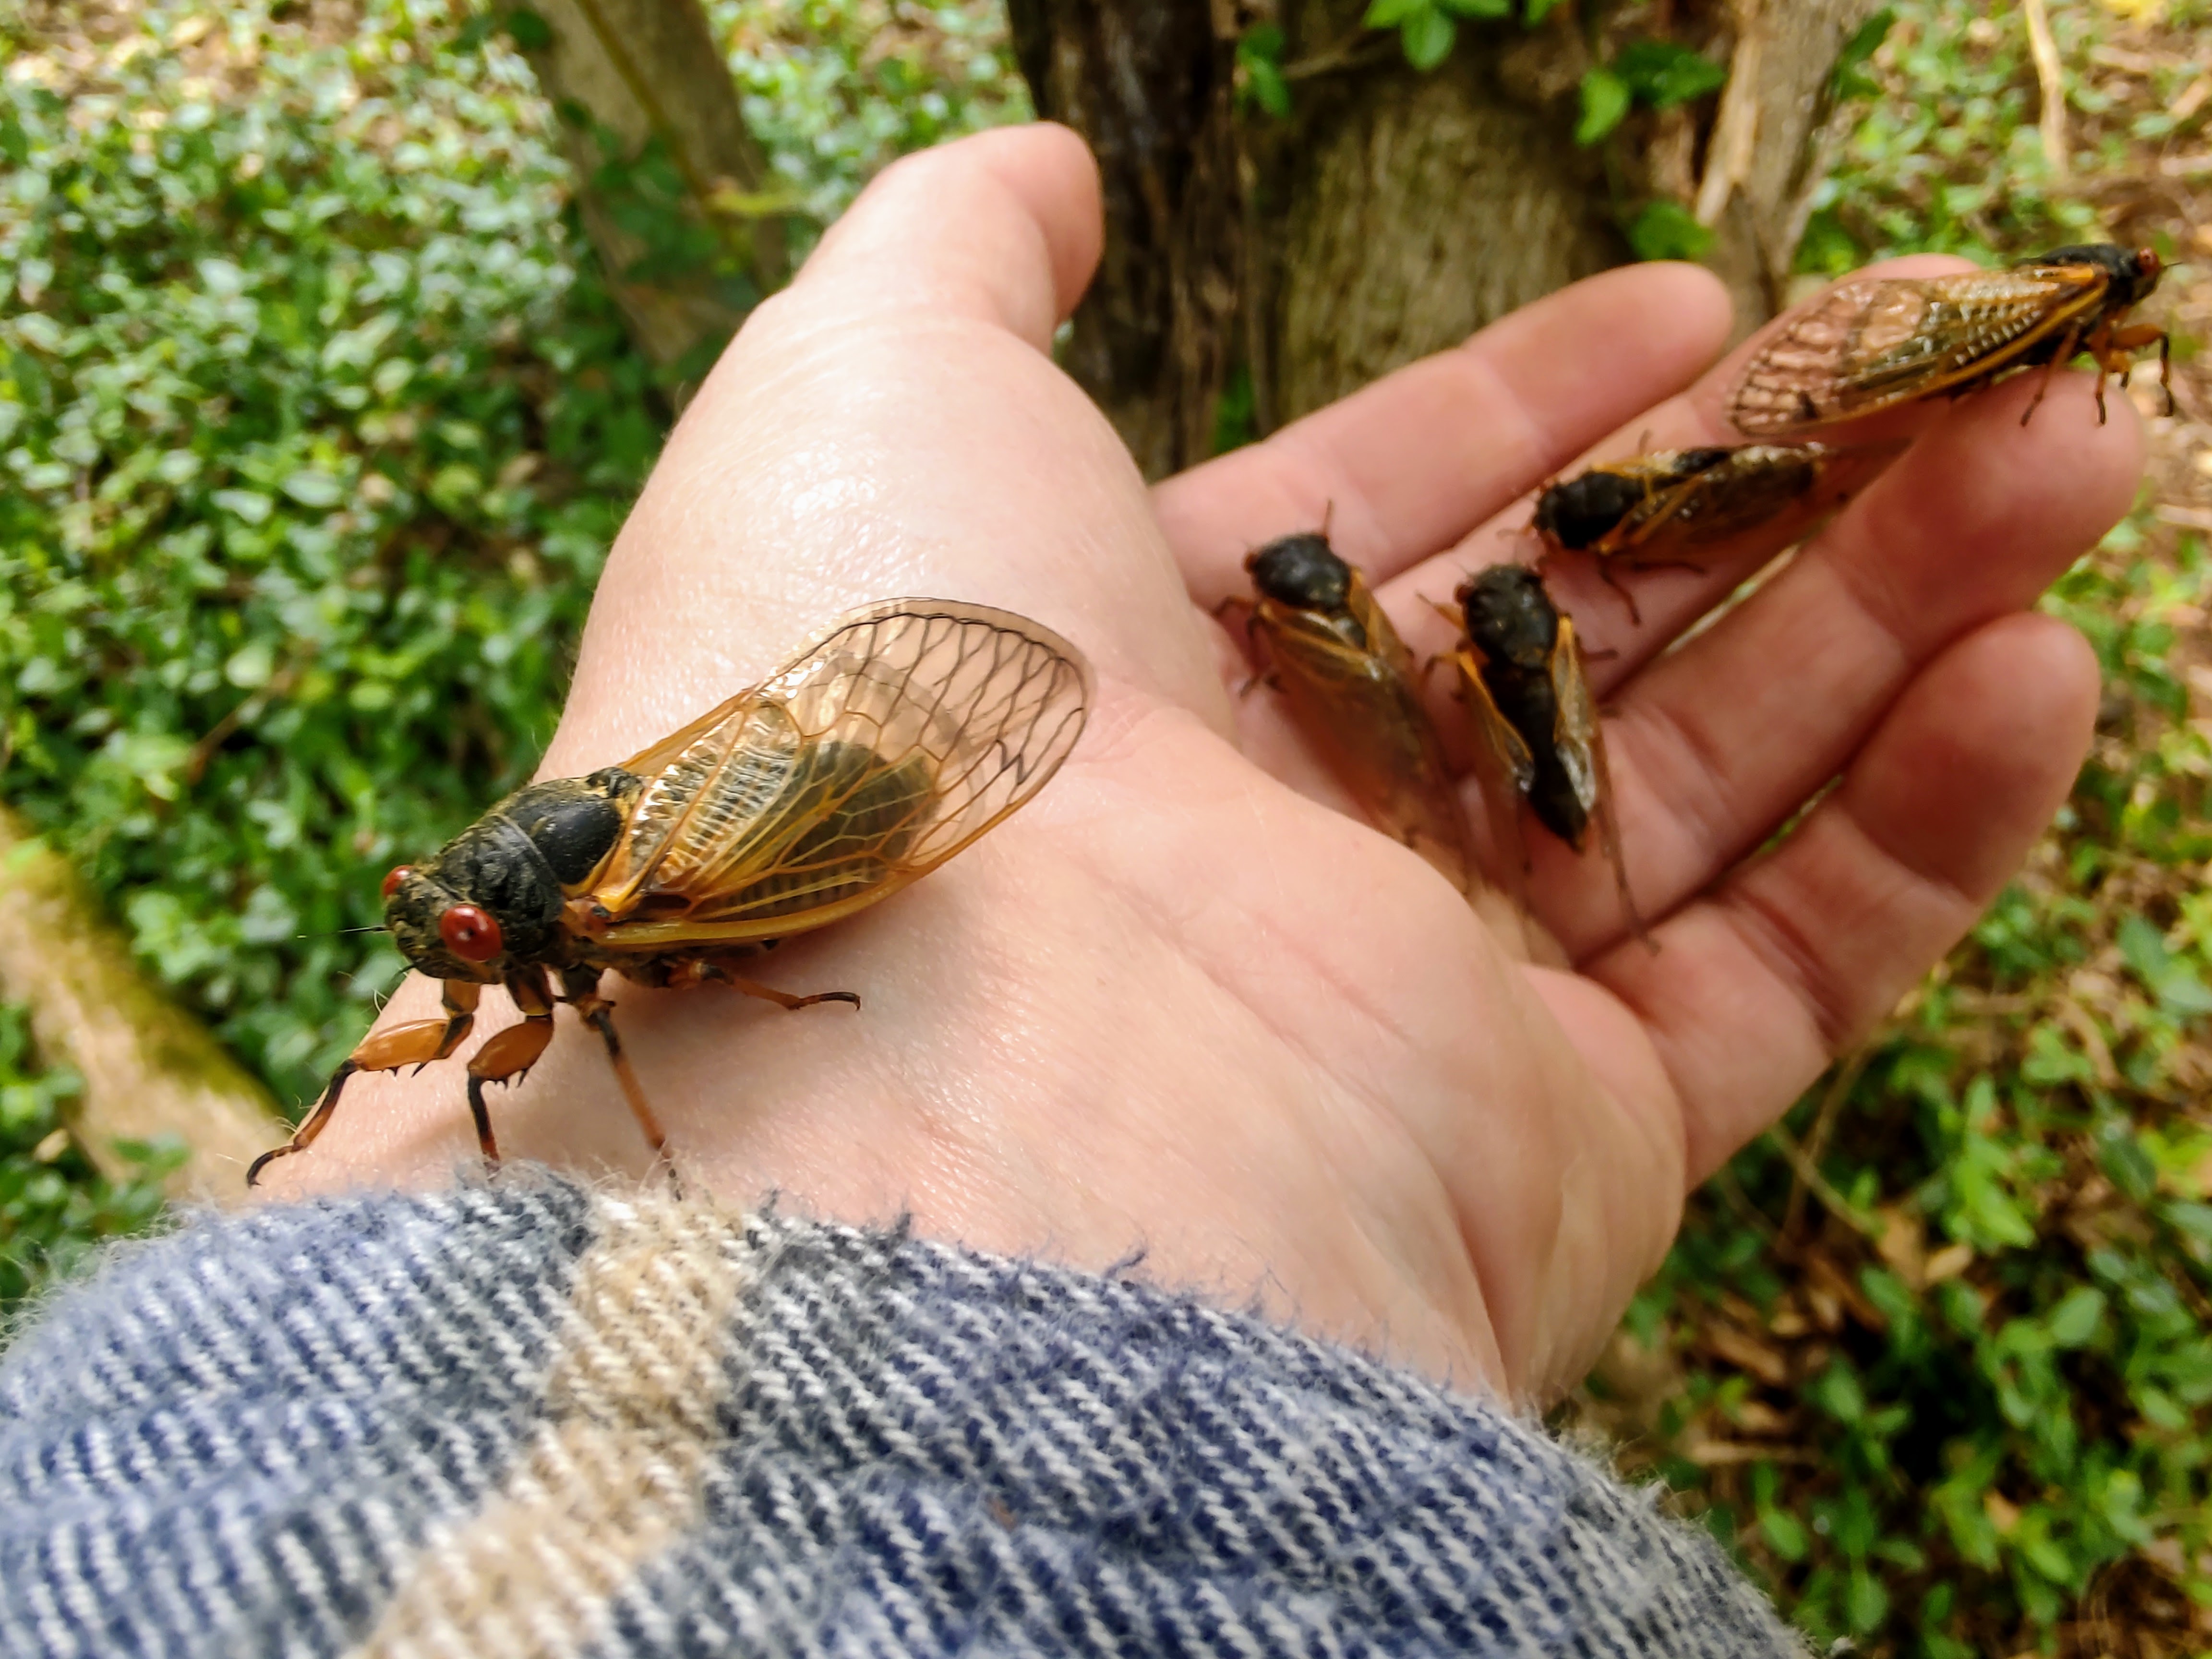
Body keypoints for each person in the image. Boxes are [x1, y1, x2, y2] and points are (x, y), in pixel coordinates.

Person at [0, 124, 2140, 1656]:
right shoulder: (502, 970)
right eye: (451, 940)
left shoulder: (584, 950)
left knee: (709, 950)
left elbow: (667, 991)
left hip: (757, 830)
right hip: (740, 821)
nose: (455, 966)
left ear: (505, 929)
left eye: (463, 940)